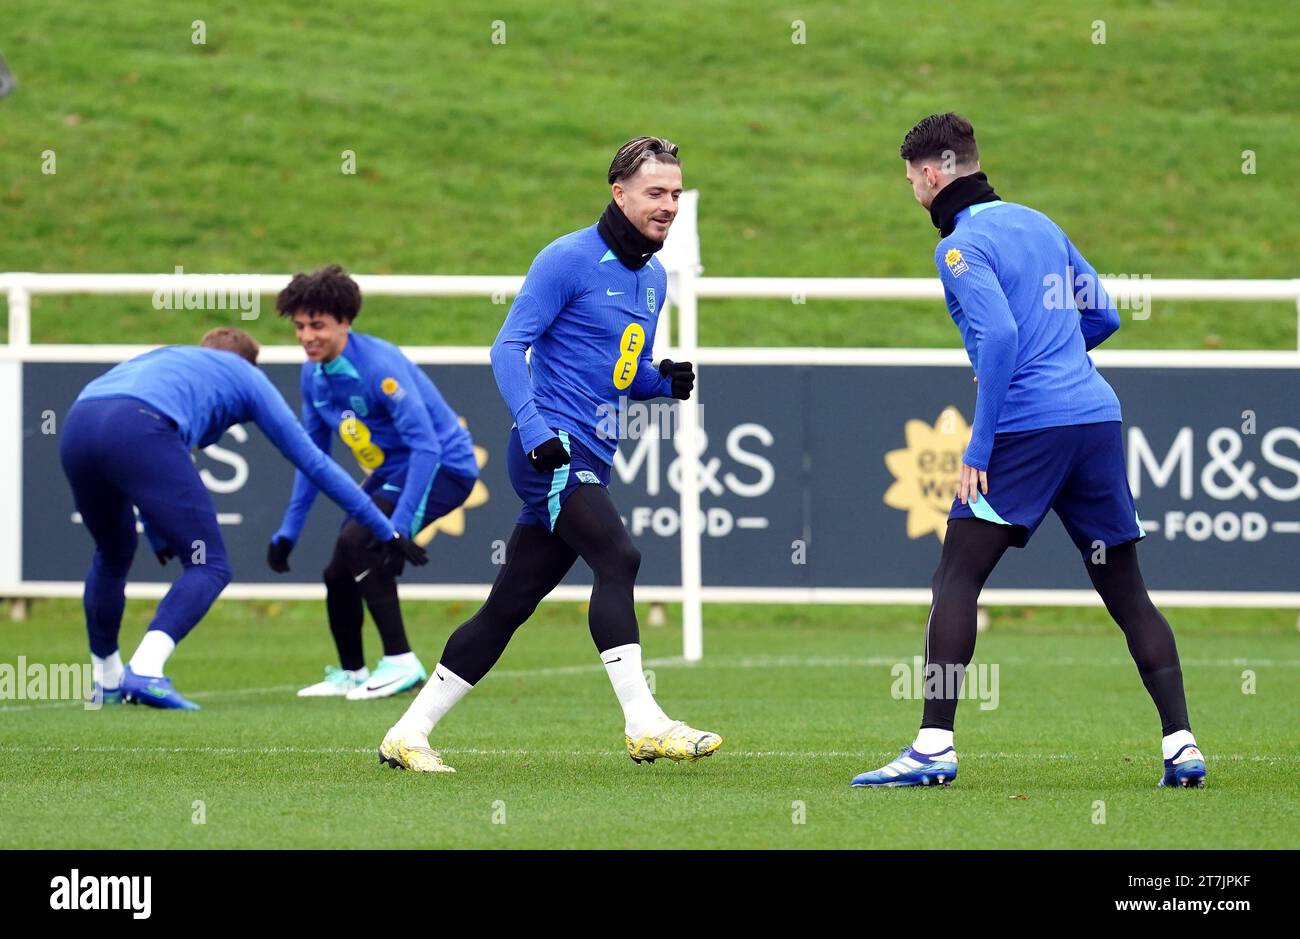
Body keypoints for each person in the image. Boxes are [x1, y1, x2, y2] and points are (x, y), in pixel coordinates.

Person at [852, 113, 1205, 789]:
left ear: (932, 175)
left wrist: (977, 444)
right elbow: (1103, 314)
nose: (913, 195)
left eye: (910, 182)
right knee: (1127, 589)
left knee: (955, 578)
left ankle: (932, 746)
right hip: (1095, 417)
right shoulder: (1040, 223)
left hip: (1026, 428)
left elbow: (1001, 340)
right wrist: (1062, 363)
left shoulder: (957, 247)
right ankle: (1182, 744)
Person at [376, 136, 719, 773]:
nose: (669, 205)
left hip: (590, 452)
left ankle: (408, 732)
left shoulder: (652, 278)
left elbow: (620, 369)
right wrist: (534, 429)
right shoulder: (566, 259)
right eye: (656, 193)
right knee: (620, 556)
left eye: (675, 193)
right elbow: (507, 348)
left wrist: (658, 381)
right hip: (551, 452)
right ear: (619, 194)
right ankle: (644, 721)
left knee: (506, 608)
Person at [60, 327, 427, 710]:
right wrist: (386, 529)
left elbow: (141, 452)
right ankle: (145, 670)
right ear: (247, 362)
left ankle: (106, 678)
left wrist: (157, 534)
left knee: (112, 553)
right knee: (209, 564)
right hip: (141, 425)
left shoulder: (171, 357)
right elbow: (314, 463)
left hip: (78, 424)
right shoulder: (246, 375)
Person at [268, 265, 480, 700]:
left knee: (358, 543)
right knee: (337, 570)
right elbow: (312, 458)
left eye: (318, 326)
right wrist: (289, 529)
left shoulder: (379, 369)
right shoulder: (313, 375)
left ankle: (400, 661)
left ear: (345, 322)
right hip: (392, 472)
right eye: (300, 326)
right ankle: (350, 672)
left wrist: (398, 526)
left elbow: (427, 449)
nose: (307, 336)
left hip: (444, 469)